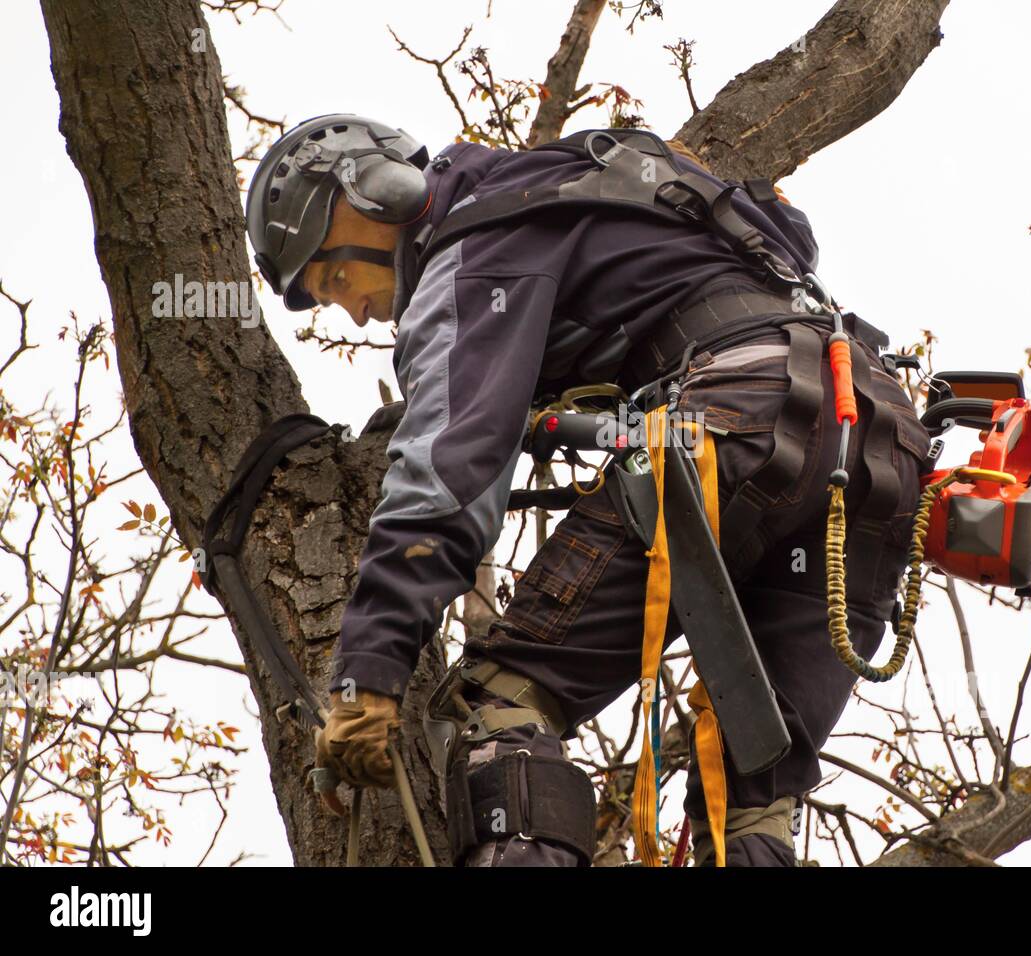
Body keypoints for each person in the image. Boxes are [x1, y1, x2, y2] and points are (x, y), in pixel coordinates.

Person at [245, 114, 930, 866]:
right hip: (880, 449)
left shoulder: (475, 243)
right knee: (748, 785)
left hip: (740, 421)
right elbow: (786, 231)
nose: (353, 308)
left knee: (499, 706)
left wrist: (368, 672)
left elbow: (447, 465)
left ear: (375, 195)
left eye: (335, 276)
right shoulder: (601, 185)